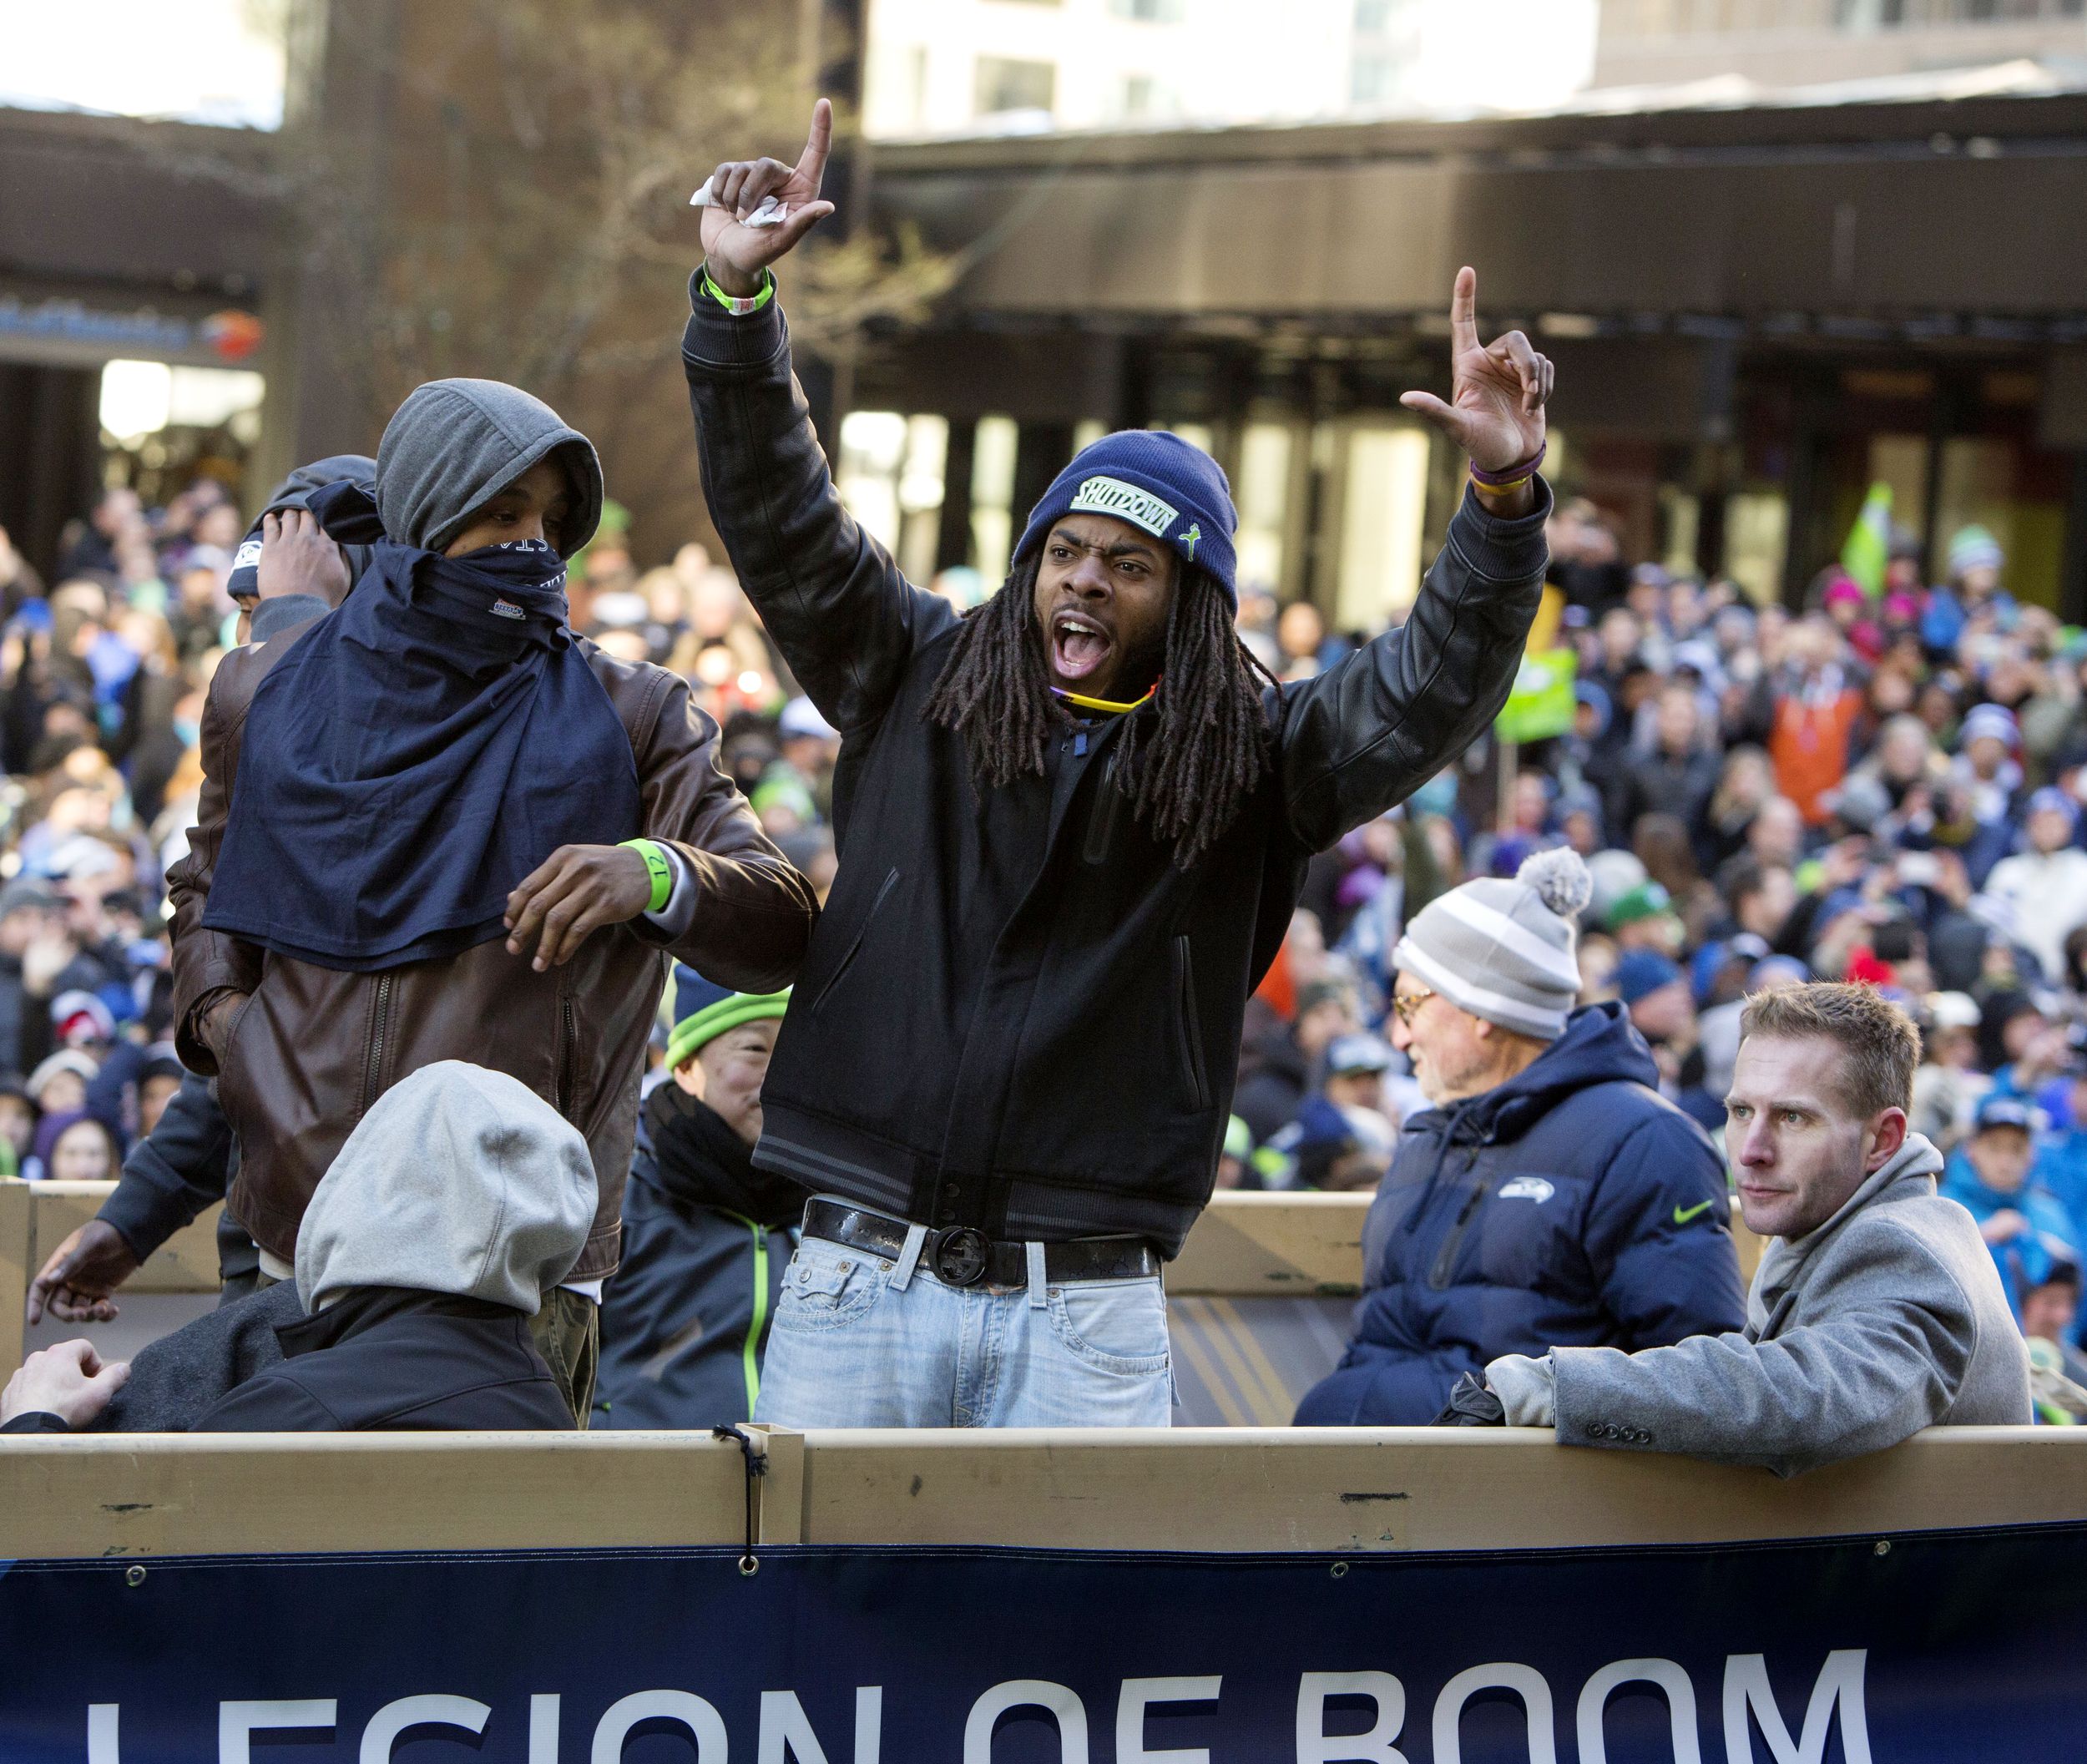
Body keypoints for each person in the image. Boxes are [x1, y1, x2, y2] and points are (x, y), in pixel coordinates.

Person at [685, 101, 1554, 1428]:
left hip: (1084, 1307)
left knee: (1072, 1583)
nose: (1085, 581)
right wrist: (738, 310)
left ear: (1187, 603)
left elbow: (1431, 685)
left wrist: (1501, 504)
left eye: (1129, 564)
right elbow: (783, 520)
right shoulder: (912, 669)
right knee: (822, 1569)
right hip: (860, 1273)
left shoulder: (1259, 759)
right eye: (1066, 552)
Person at [166, 381, 817, 1424]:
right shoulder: (264, 691)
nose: (533, 547)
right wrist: (228, 1029)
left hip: (520, 1265)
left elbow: (782, 921)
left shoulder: (635, 713)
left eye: (552, 522)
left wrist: (653, 872)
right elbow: (205, 883)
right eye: (503, 512)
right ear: (424, 514)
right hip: (299, 1234)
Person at [1457, 984, 2031, 1475]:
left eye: (1793, 1117)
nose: (1751, 1151)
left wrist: (1554, 1386)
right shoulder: (1834, 1223)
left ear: (1882, 1140)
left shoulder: (1901, 1246)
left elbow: (1804, 1396)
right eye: (1740, 1112)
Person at [1294, 849, 1743, 1425]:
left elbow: (1696, 1383)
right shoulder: (1430, 1139)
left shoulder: (1644, 1142)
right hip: (1357, 1468)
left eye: (1409, 1003)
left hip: (1495, 1480)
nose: (1399, 1036)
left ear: (1480, 1007)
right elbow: (1381, 1340)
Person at [3, 1064, 593, 1434]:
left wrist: (34, 1421)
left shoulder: (288, 1411)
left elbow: (89, 1585)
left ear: (363, 1191)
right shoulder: (546, 1412)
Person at [594, 973, 801, 1428]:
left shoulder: (834, 1212)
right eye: (755, 1049)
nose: (784, 1073)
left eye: (799, 1051)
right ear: (686, 1067)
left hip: (797, 1471)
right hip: (645, 1468)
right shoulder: (617, 1199)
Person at [1940, 1094, 2080, 1322]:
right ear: (1971, 1149)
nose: (2005, 1162)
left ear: (2032, 1154)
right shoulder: (1942, 1207)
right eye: (1994, 1147)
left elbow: (2072, 1305)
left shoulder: (2052, 1216)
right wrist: (1982, 1238)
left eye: (2016, 1149)